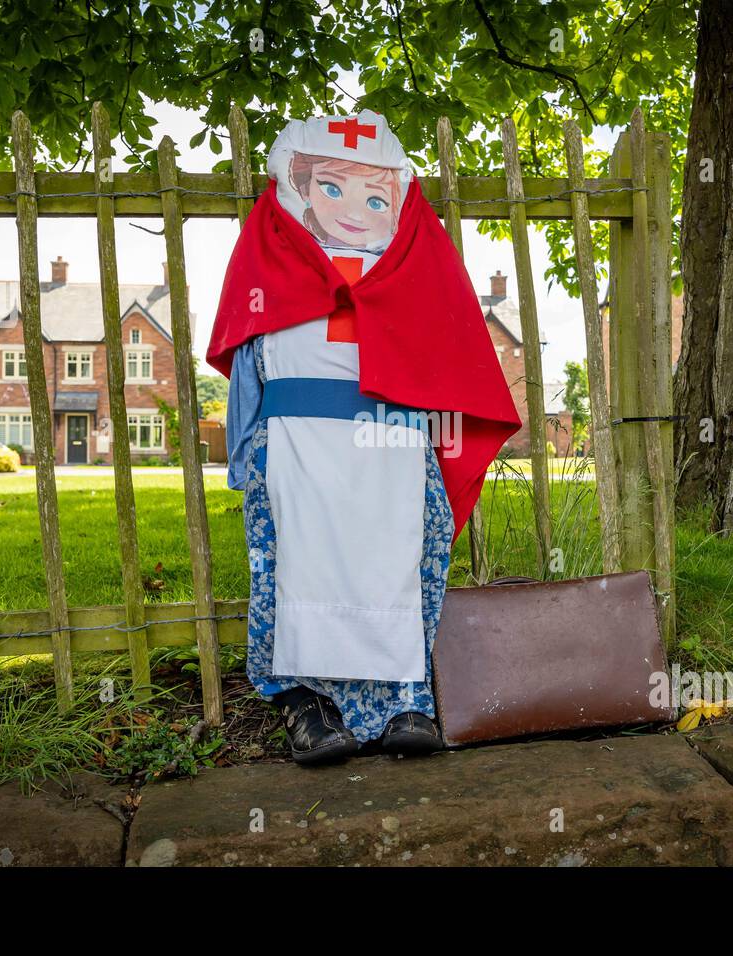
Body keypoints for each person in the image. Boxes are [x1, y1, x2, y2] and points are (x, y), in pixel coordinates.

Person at [209, 111, 519, 765]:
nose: (354, 209)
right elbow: (246, 354)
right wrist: (250, 444)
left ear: (398, 199)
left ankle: (407, 700)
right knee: (291, 557)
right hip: (293, 436)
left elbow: (449, 353)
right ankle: (304, 702)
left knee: (405, 550)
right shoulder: (270, 256)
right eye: (331, 188)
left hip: (395, 440)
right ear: (297, 186)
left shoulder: (415, 266)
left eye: (374, 196)